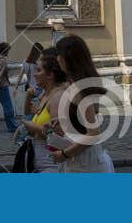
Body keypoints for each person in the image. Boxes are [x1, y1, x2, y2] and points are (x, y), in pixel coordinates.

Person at [45, 34, 114, 172]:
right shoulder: (75, 86)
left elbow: (93, 134)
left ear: (68, 59)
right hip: (80, 162)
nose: (57, 59)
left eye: (59, 55)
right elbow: (81, 121)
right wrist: (63, 121)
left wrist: (64, 154)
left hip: (87, 165)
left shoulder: (80, 89)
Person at [17, 50, 66, 172]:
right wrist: (28, 96)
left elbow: (59, 136)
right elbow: (29, 113)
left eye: (39, 70)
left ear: (50, 75)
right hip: (39, 160)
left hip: (51, 164)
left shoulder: (57, 97)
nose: (35, 74)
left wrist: (31, 127)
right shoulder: (45, 95)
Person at [21, 42, 45, 115]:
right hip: (37, 88)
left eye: (39, 70)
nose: (36, 74)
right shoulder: (36, 63)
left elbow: (20, 75)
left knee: (30, 112)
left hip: (31, 88)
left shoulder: (25, 62)